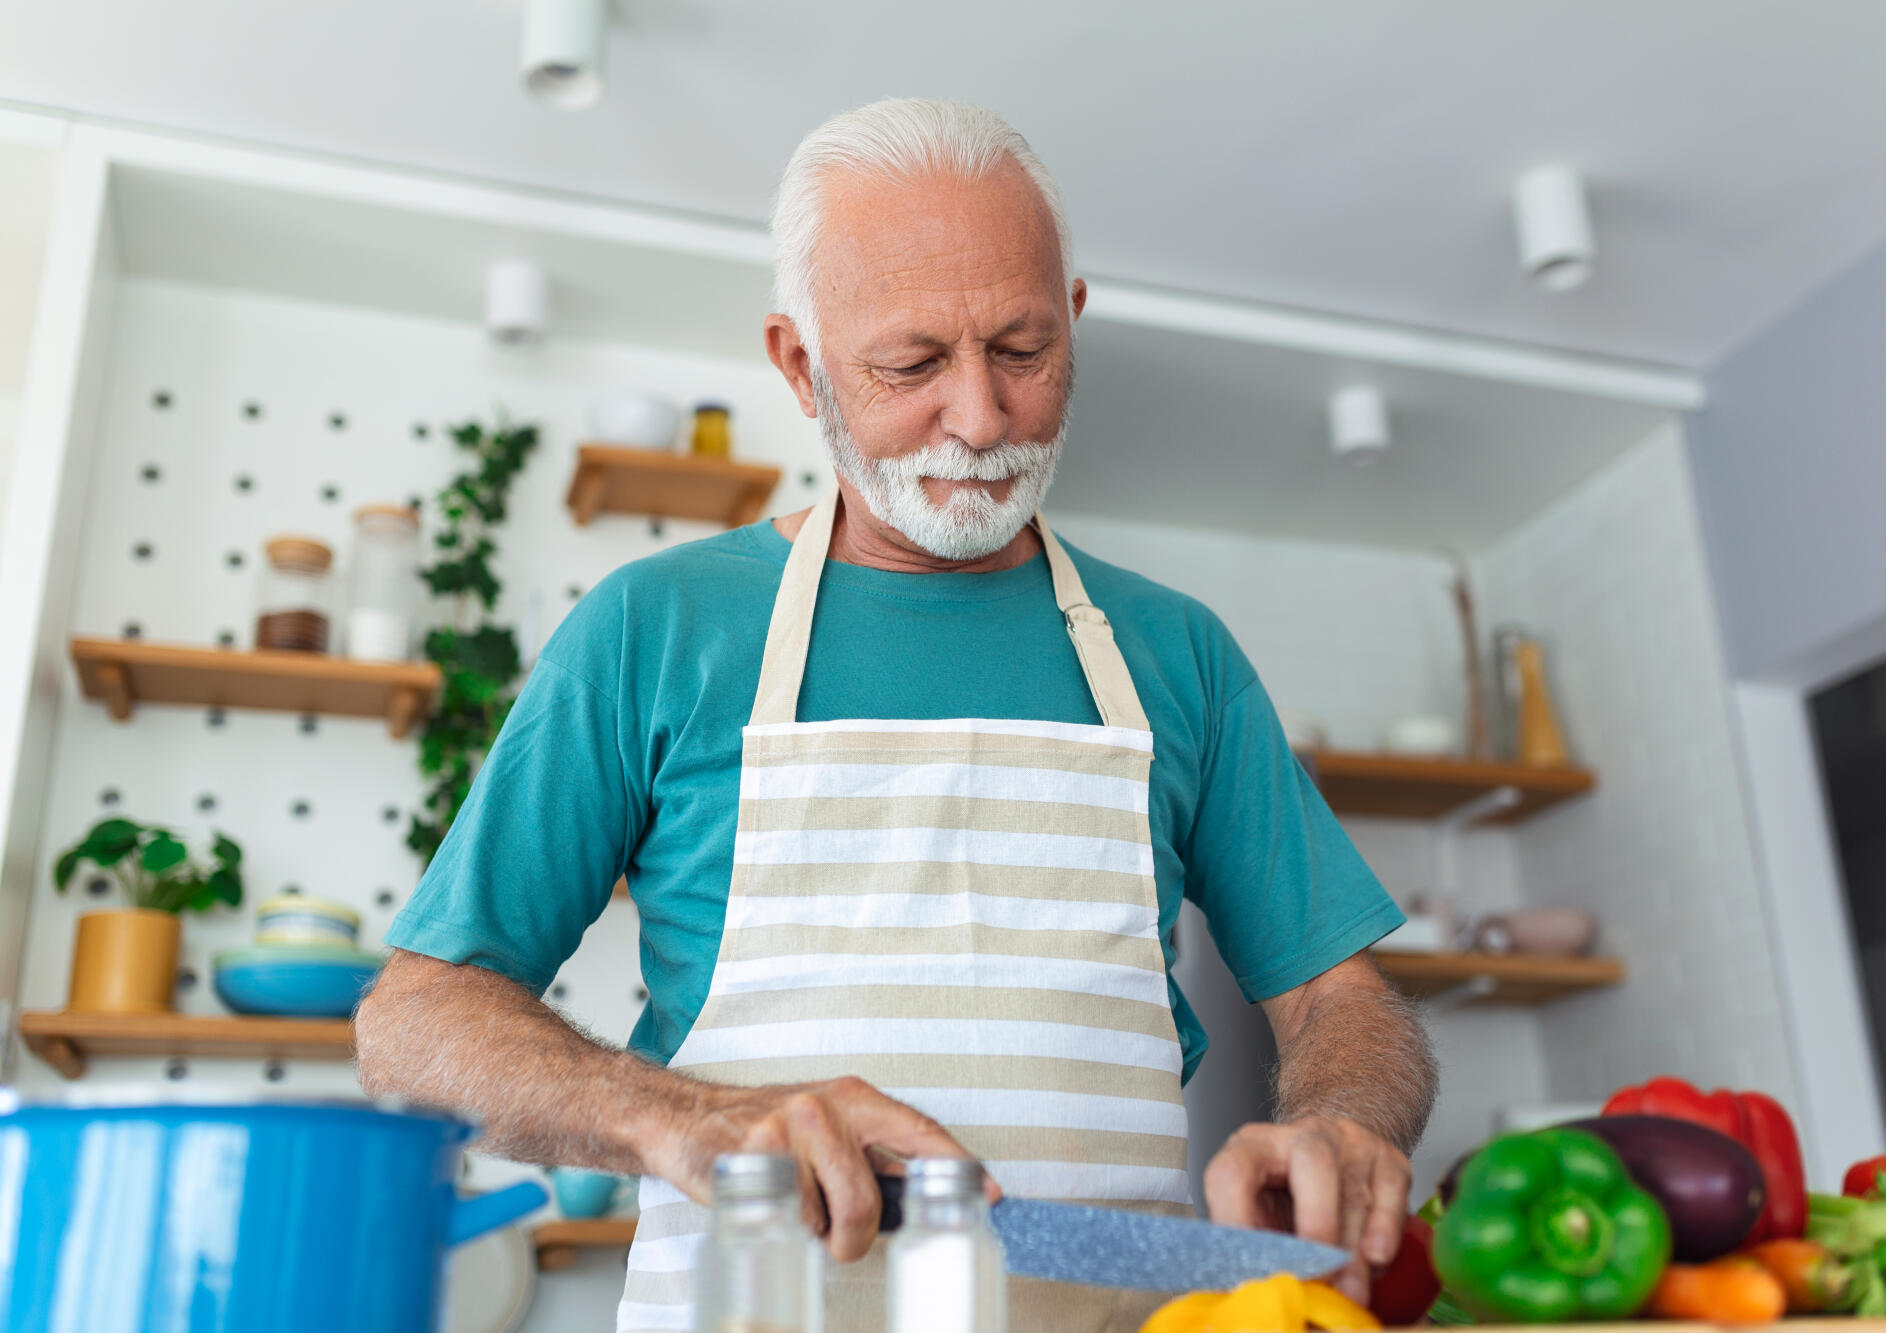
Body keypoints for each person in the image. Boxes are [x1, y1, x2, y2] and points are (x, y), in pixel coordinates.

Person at [356, 98, 1436, 1333]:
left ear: (1072, 320)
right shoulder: (654, 628)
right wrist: (679, 1117)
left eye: (1022, 350)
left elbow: (1341, 998)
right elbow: (415, 1021)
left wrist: (1338, 1123)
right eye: (911, 365)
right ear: (799, 363)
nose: (979, 418)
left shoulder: (1175, 652)